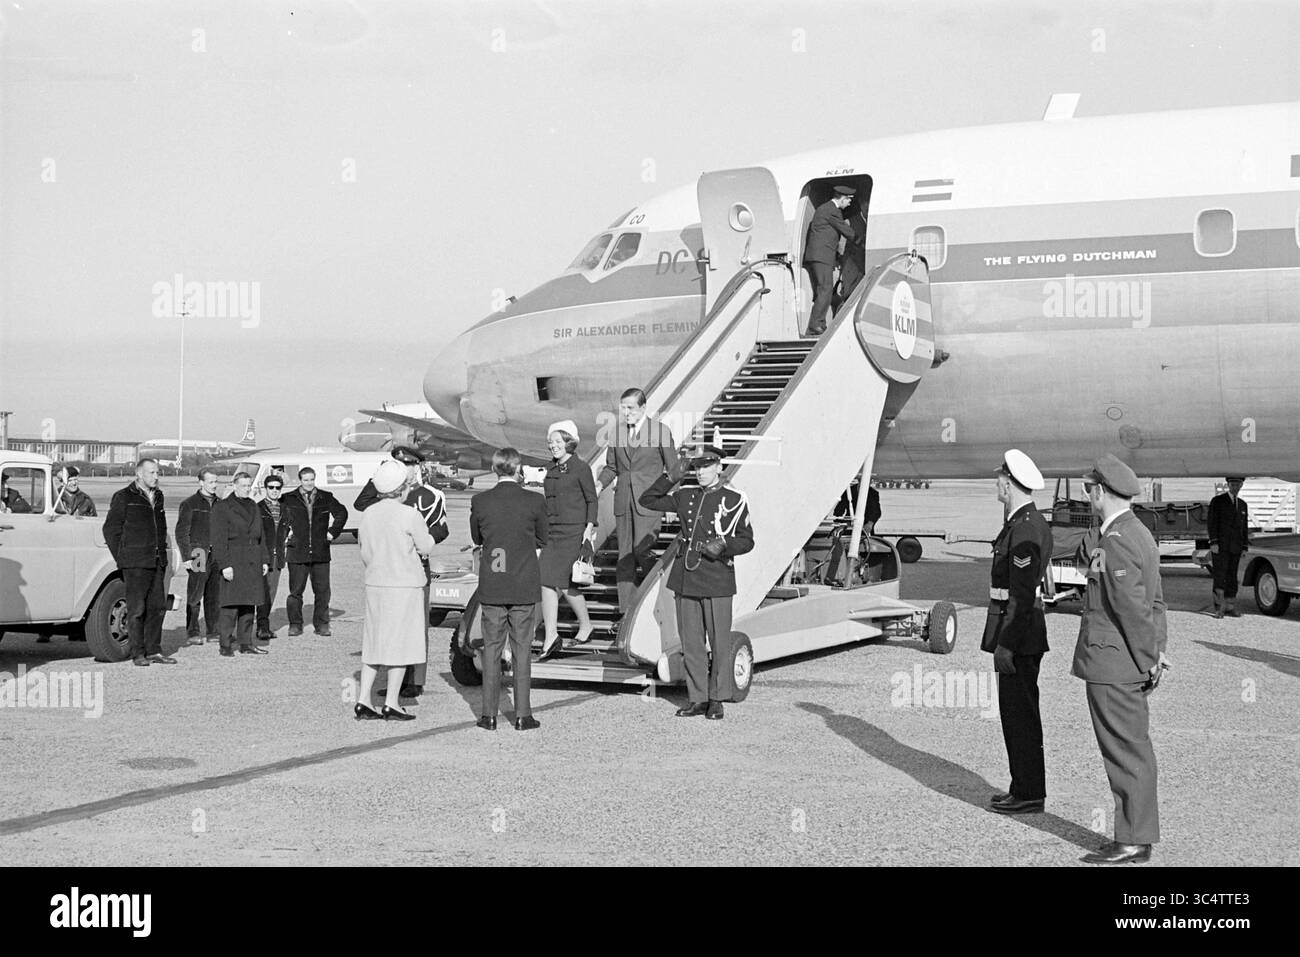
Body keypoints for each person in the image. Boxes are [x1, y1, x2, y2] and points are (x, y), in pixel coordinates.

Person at [1072, 454, 1169, 865]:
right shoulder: (1135, 533)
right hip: (1125, 660)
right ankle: (1135, 834)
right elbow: (1157, 602)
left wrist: (1149, 659)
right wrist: (1157, 652)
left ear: (1100, 492)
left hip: (1115, 664)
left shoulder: (1117, 541)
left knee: (1125, 754)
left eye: (1090, 490)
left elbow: (1132, 609)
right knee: (1132, 749)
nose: (1087, 496)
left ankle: (1132, 840)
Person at [640, 445, 754, 720]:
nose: (700, 471)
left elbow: (747, 540)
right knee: (691, 643)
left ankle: (717, 698)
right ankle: (698, 698)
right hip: (687, 577)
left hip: (717, 577)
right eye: (696, 467)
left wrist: (724, 545)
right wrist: (671, 476)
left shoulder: (735, 499)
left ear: (718, 467)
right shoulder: (685, 495)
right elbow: (648, 500)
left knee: (719, 641)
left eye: (705, 466)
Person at [984, 450, 1054, 816]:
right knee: (1018, 714)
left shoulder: (1025, 528)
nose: (996, 481)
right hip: (1022, 633)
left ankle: (1028, 792)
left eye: (999, 477)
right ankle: (1022, 787)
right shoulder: (1025, 522)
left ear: (1008, 484)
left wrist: (1005, 645)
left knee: (1020, 715)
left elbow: (1022, 596)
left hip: (1019, 637)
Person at [356, 447, 450, 697]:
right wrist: (380, 476)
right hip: (390, 571)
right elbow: (360, 503)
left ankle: (414, 680)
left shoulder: (429, 495)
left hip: (415, 567)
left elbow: (441, 530)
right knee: (389, 630)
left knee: (414, 629)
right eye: (395, 465)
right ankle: (395, 681)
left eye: (405, 465)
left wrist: (423, 540)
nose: (401, 469)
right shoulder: (384, 495)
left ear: (415, 467)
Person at [470, 447, 548, 732]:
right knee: (522, 650)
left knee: (491, 649)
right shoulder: (534, 501)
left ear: (494, 470)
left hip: (493, 584)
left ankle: (488, 715)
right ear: (519, 469)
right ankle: (522, 715)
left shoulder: (480, 501)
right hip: (523, 584)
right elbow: (543, 537)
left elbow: (476, 537)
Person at [596, 388, 681, 614]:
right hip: (624, 501)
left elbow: (673, 469)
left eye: (630, 408)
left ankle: (661, 595)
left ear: (643, 408)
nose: (626, 412)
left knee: (641, 550)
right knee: (625, 556)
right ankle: (628, 612)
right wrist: (599, 484)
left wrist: (671, 497)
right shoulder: (617, 433)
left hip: (650, 501)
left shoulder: (660, 431)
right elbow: (612, 467)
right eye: (623, 408)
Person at [102, 458, 176, 666]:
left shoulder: (158, 496)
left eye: (158, 472)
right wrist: (123, 557)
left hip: (157, 561)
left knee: (157, 607)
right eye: (152, 473)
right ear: (139, 474)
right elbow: (110, 529)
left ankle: (154, 650)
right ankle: (138, 653)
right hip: (135, 563)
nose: (156, 476)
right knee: (136, 610)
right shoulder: (124, 497)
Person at [538, 420, 598, 659]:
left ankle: (586, 625)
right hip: (553, 532)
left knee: (565, 583)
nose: (553, 446)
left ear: (568, 442)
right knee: (545, 580)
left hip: (574, 531)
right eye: (550, 442)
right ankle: (551, 635)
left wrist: (589, 529)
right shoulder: (551, 471)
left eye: (557, 441)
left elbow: (592, 500)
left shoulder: (581, 468)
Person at [280, 466, 348, 636]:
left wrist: (332, 532)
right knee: (295, 592)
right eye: (306, 480)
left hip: (320, 552)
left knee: (323, 591)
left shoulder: (326, 497)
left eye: (311, 479)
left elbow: (342, 513)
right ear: (300, 480)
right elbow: (278, 517)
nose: (309, 483)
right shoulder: (288, 498)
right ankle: (295, 624)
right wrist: (285, 531)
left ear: (315, 479)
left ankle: (322, 624)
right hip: (297, 552)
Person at [210, 472, 270, 658]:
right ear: (235, 485)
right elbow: (218, 539)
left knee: (248, 604)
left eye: (249, 485)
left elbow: (262, 536)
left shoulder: (253, 505)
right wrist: (225, 565)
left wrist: (265, 559)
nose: (247, 489)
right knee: (230, 605)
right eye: (243, 485)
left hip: (253, 560)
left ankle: (246, 642)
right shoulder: (223, 507)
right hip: (234, 560)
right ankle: (225, 644)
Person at [802, 185, 856, 335]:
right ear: (843, 198)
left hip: (822, 256)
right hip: (822, 256)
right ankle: (815, 326)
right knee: (825, 289)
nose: (850, 203)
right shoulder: (831, 210)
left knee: (823, 290)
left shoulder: (827, 209)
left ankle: (818, 324)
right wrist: (859, 240)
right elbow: (845, 230)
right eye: (849, 200)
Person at [176, 469, 221, 643]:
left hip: (216, 554)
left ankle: (213, 631)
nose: (214, 485)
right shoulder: (189, 504)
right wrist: (187, 557)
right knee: (195, 595)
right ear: (201, 482)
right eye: (211, 482)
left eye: (216, 481)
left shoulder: (221, 504)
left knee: (214, 596)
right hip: (198, 554)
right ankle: (193, 632)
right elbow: (181, 532)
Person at [1207, 475, 1250, 618]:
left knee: (1232, 576)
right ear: (1228, 485)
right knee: (1220, 576)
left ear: (1241, 486)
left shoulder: (1243, 505)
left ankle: (1230, 606)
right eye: (1232, 484)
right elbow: (1212, 523)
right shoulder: (1218, 501)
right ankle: (1219, 608)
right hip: (1221, 546)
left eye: (1238, 484)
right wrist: (1213, 542)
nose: (1235, 487)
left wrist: (1244, 547)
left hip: (1236, 547)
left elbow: (1244, 527)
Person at [256, 473, 289, 639]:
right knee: (263, 592)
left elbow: (289, 528)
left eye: (278, 488)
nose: (275, 491)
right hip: (263, 556)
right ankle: (261, 627)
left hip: (278, 557)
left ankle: (264, 624)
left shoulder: (285, 509)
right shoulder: (258, 508)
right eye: (271, 487)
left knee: (272, 592)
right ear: (265, 489)